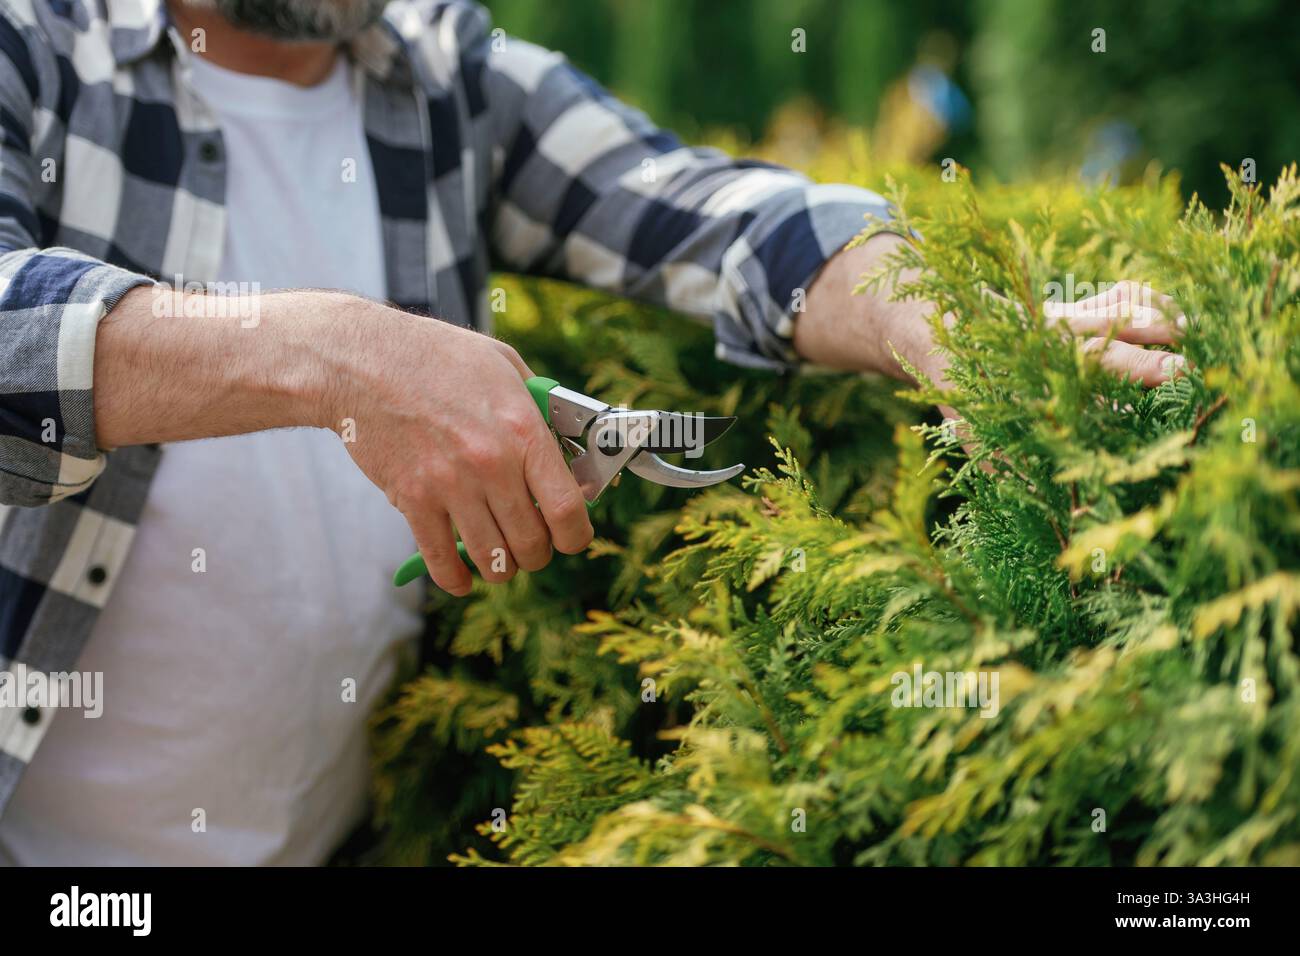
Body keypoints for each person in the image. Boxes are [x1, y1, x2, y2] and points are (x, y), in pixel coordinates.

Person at [0, 0, 1183, 865]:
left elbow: (714, 211)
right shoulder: (38, 46)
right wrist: (335, 354)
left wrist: (951, 326)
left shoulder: (444, 69)